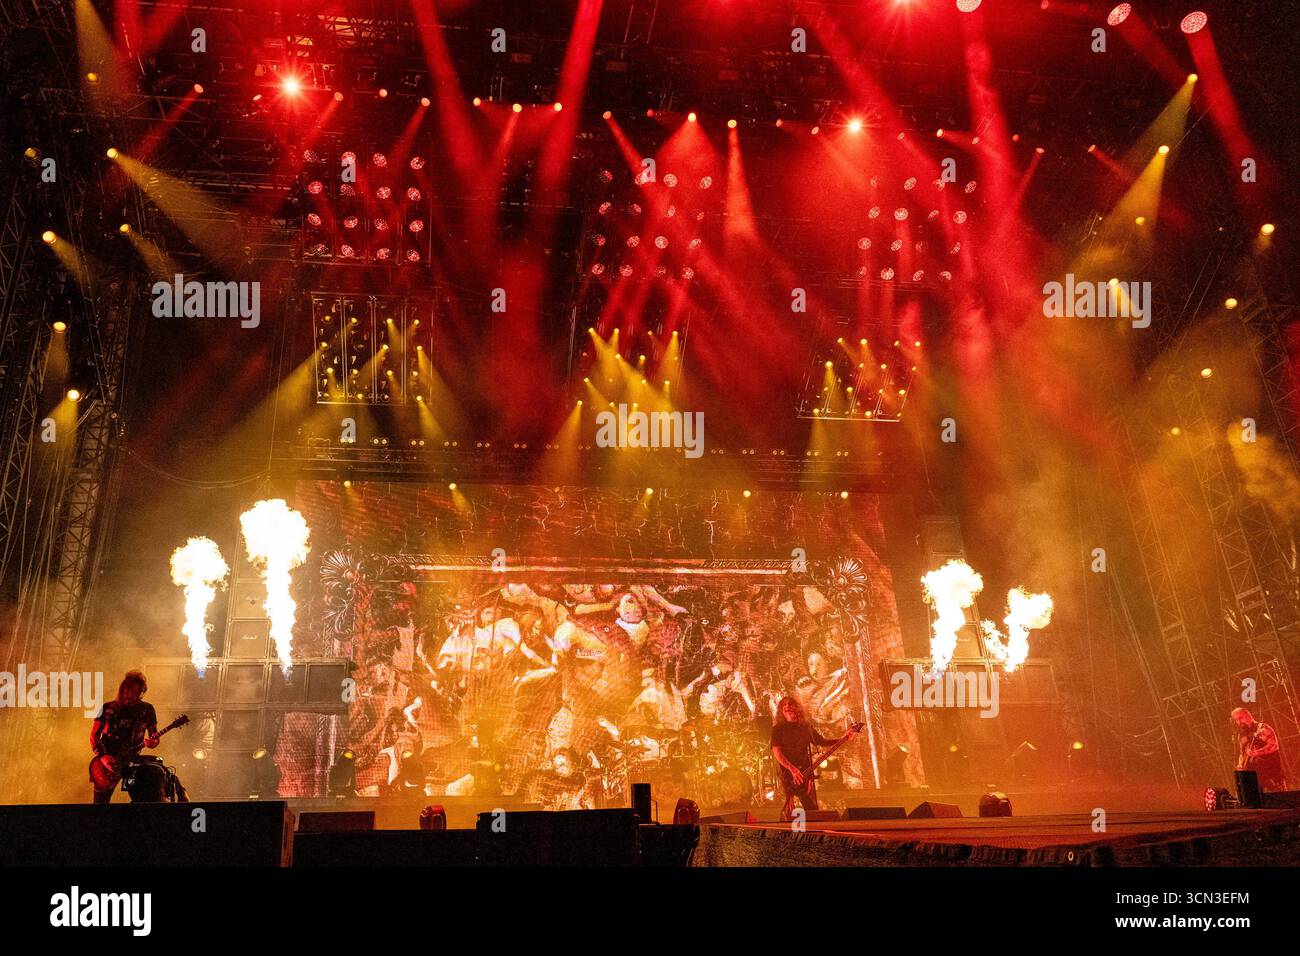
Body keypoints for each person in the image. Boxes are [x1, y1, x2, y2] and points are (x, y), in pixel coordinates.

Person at [770, 695, 854, 821]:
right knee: (789, 806)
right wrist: (792, 770)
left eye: (790, 704)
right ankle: (784, 832)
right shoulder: (778, 729)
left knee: (810, 807)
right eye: (784, 705)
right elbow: (778, 753)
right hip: (787, 773)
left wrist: (844, 738)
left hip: (805, 771)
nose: (787, 707)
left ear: (797, 708)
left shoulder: (806, 727)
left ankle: (814, 830)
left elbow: (822, 742)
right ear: (781, 711)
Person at [89, 671, 160, 804]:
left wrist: (153, 742)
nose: (130, 695)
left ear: (141, 693)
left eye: (136, 692)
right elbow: (94, 736)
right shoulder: (107, 708)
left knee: (153, 779)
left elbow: (154, 736)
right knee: (100, 804)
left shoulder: (148, 710)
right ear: (122, 689)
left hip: (133, 759)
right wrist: (103, 757)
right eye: (128, 691)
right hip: (109, 762)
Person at [1233, 707, 1285, 790]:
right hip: (1255, 777)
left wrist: (1257, 753)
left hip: (1271, 773)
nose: (1239, 722)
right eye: (1236, 720)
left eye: (1240, 718)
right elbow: (1242, 753)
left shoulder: (1262, 729)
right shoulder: (1241, 735)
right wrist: (1240, 765)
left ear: (1248, 714)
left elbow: (1273, 746)